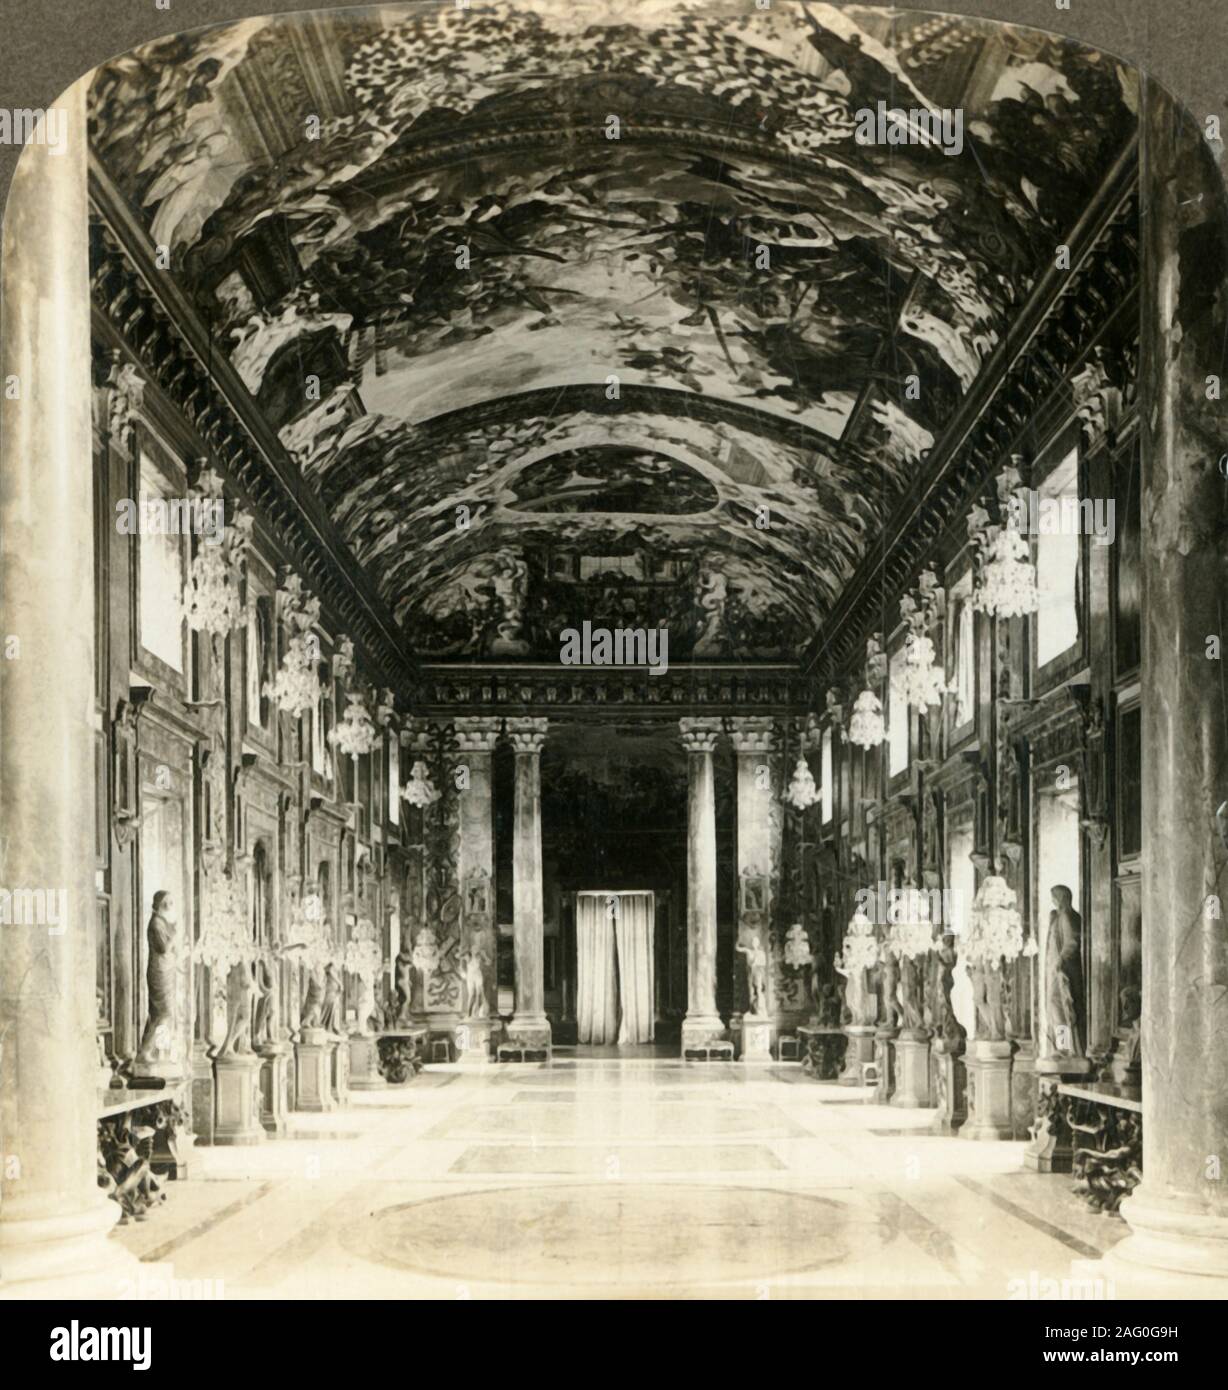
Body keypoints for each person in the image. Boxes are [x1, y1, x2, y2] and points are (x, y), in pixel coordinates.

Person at [137, 891, 177, 1063]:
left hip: (165, 971)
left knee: (158, 1013)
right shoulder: (156, 923)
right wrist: (174, 934)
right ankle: (146, 1051)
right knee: (164, 1012)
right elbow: (164, 948)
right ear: (159, 904)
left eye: (171, 902)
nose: (169, 905)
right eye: (166, 902)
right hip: (159, 972)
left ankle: (155, 1051)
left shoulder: (162, 922)